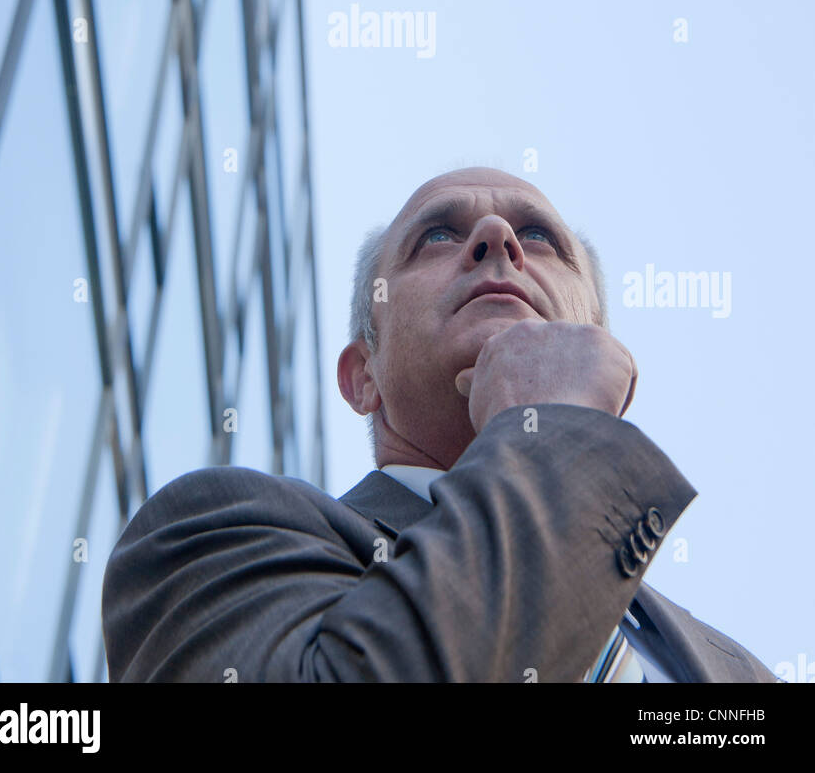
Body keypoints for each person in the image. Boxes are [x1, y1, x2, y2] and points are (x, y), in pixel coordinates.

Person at [101, 166, 778, 682]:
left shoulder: (738, 672)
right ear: (363, 373)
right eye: (437, 236)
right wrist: (547, 432)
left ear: (598, 348)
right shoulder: (210, 533)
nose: (498, 240)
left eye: (538, 237)